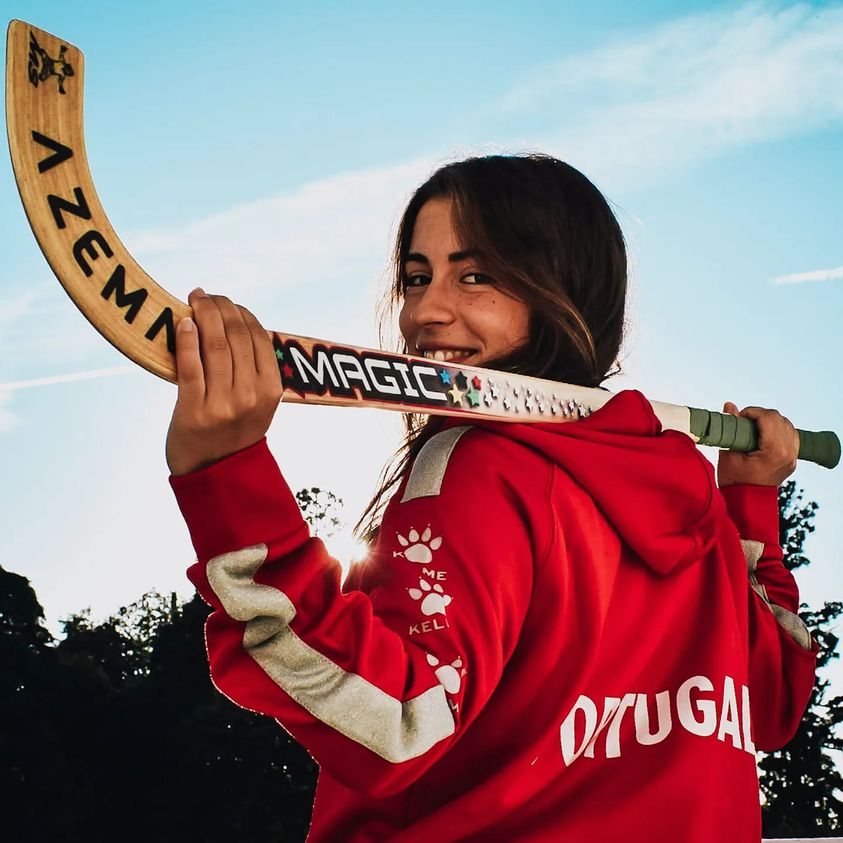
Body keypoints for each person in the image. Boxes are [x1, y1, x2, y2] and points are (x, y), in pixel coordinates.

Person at [166, 155, 817, 842]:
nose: (425, 310)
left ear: (561, 287)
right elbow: (772, 699)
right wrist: (750, 502)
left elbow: (395, 721)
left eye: (474, 276)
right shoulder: (691, 498)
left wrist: (227, 478)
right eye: (417, 277)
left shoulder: (481, 467)